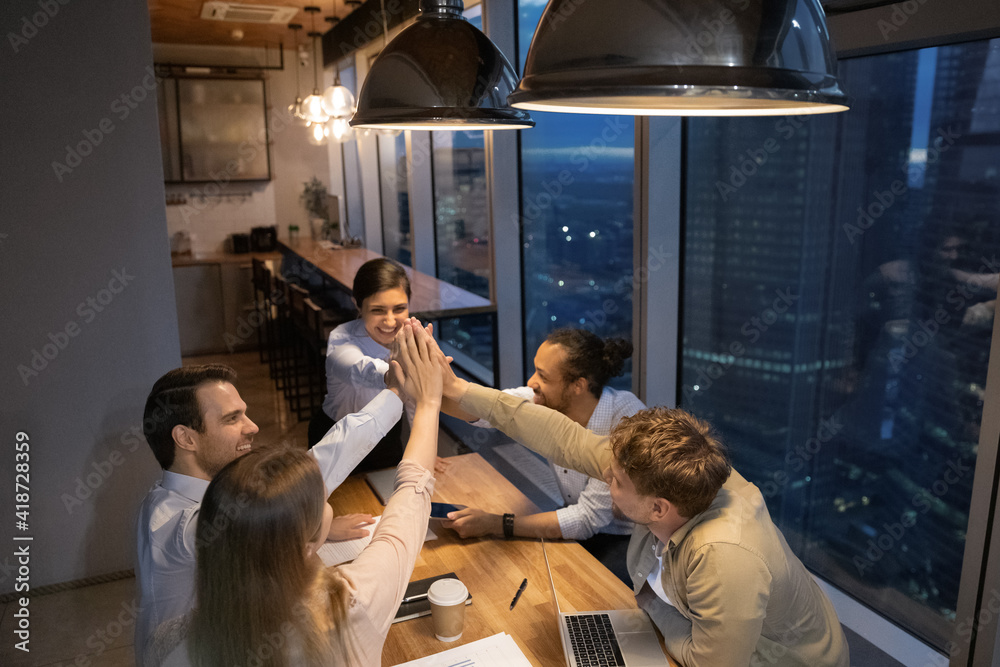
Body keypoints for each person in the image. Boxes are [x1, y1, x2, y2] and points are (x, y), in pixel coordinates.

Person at [436, 368, 850, 666]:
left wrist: (653, 605)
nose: (603, 478)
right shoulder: (671, 476)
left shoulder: (724, 557)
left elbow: (712, 664)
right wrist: (457, 388)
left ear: (657, 509)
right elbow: (563, 438)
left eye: (614, 481)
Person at [145, 319, 443, 667]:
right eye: (232, 418)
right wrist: (428, 400)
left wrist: (395, 395)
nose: (253, 426)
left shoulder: (174, 635)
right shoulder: (347, 606)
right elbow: (408, 496)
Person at [442, 328, 644, 585]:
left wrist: (495, 523)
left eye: (543, 376)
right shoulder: (543, 396)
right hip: (572, 512)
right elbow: (484, 410)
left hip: (623, 537)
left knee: (587, 596)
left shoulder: (627, 423)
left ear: (578, 386)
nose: (530, 382)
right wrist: (432, 384)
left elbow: (587, 518)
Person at [308, 258, 413, 472]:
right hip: (337, 438)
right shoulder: (341, 338)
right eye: (378, 310)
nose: (391, 321)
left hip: (387, 437)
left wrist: (421, 450)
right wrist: (395, 375)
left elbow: (414, 403)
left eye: (399, 308)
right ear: (357, 304)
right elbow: (358, 369)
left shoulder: (411, 338)